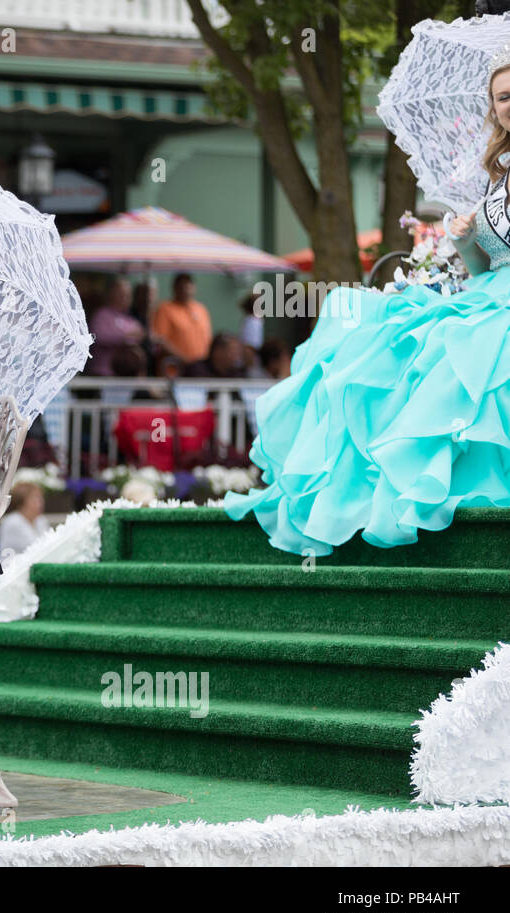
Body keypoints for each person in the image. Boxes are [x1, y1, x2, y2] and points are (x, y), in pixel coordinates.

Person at [224, 62, 510, 555]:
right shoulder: (495, 180)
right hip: (490, 295)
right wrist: (464, 243)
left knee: (455, 348)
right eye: (502, 97)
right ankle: (358, 488)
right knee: (378, 324)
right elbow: (483, 273)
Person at [86, 277, 147, 376]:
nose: (125, 297)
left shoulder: (131, 320)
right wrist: (125, 337)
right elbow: (98, 337)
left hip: (128, 376)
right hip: (103, 374)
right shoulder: (101, 315)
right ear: (111, 294)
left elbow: (139, 337)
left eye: (128, 294)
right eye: (121, 293)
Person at [152, 273, 212, 364]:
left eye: (188, 287)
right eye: (181, 287)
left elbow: (208, 338)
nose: (185, 290)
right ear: (174, 288)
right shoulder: (165, 308)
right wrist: (184, 360)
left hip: (201, 367)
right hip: (176, 367)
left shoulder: (201, 309)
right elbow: (161, 340)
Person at [0, 481, 48, 562]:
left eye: (40, 498)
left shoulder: (41, 520)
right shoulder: (12, 522)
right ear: (22, 502)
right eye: (35, 498)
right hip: (12, 569)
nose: (40, 503)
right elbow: (36, 548)